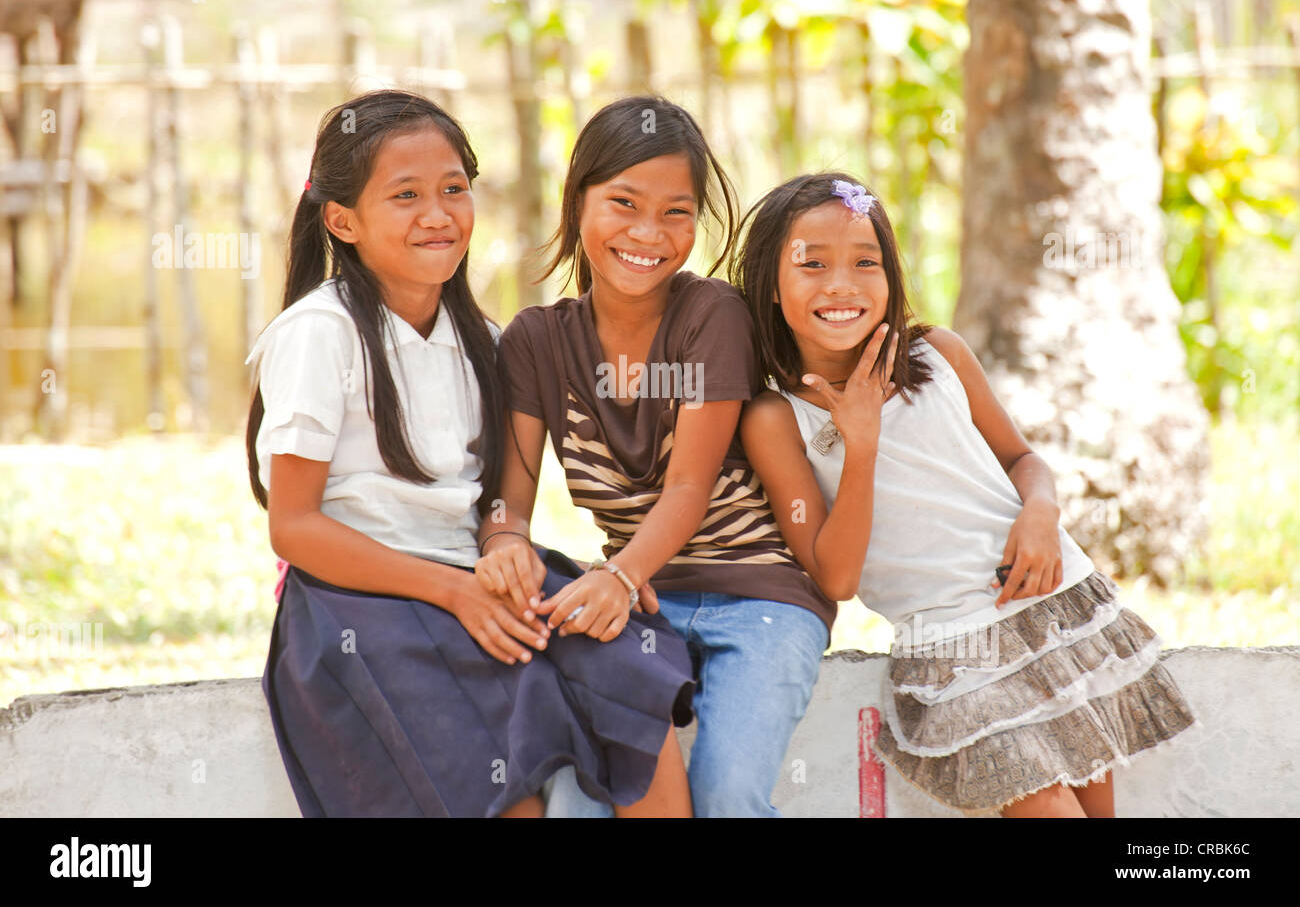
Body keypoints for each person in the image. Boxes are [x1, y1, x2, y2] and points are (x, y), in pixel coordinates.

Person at [250, 89, 693, 818]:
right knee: (496, 783)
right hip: (358, 605)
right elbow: (294, 527)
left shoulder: (485, 340)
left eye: (454, 189)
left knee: (627, 684)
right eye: (406, 196)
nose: (439, 214)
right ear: (342, 220)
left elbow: (492, 500)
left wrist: (510, 546)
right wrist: (450, 590)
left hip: (470, 581)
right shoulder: (319, 333)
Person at [732, 172, 1197, 816]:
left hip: (1051, 609)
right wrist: (859, 443)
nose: (841, 284)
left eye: (865, 262)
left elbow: (1021, 459)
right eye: (812, 265)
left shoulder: (938, 357)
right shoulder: (777, 419)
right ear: (770, 287)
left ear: (891, 275)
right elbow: (835, 574)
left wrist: (1041, 511)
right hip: (953, 649)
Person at [483, 96, 837, 818]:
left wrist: (618, 572)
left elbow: (688, 488)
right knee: (583, 795)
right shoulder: (535, 342)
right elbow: (509, 501)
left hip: (761, 601)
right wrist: (503, 544)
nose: (649, 233)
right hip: (646, 602)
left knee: (727, 792)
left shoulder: (712, 315)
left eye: (677, 212)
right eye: (623, 203)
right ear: (577, 199)